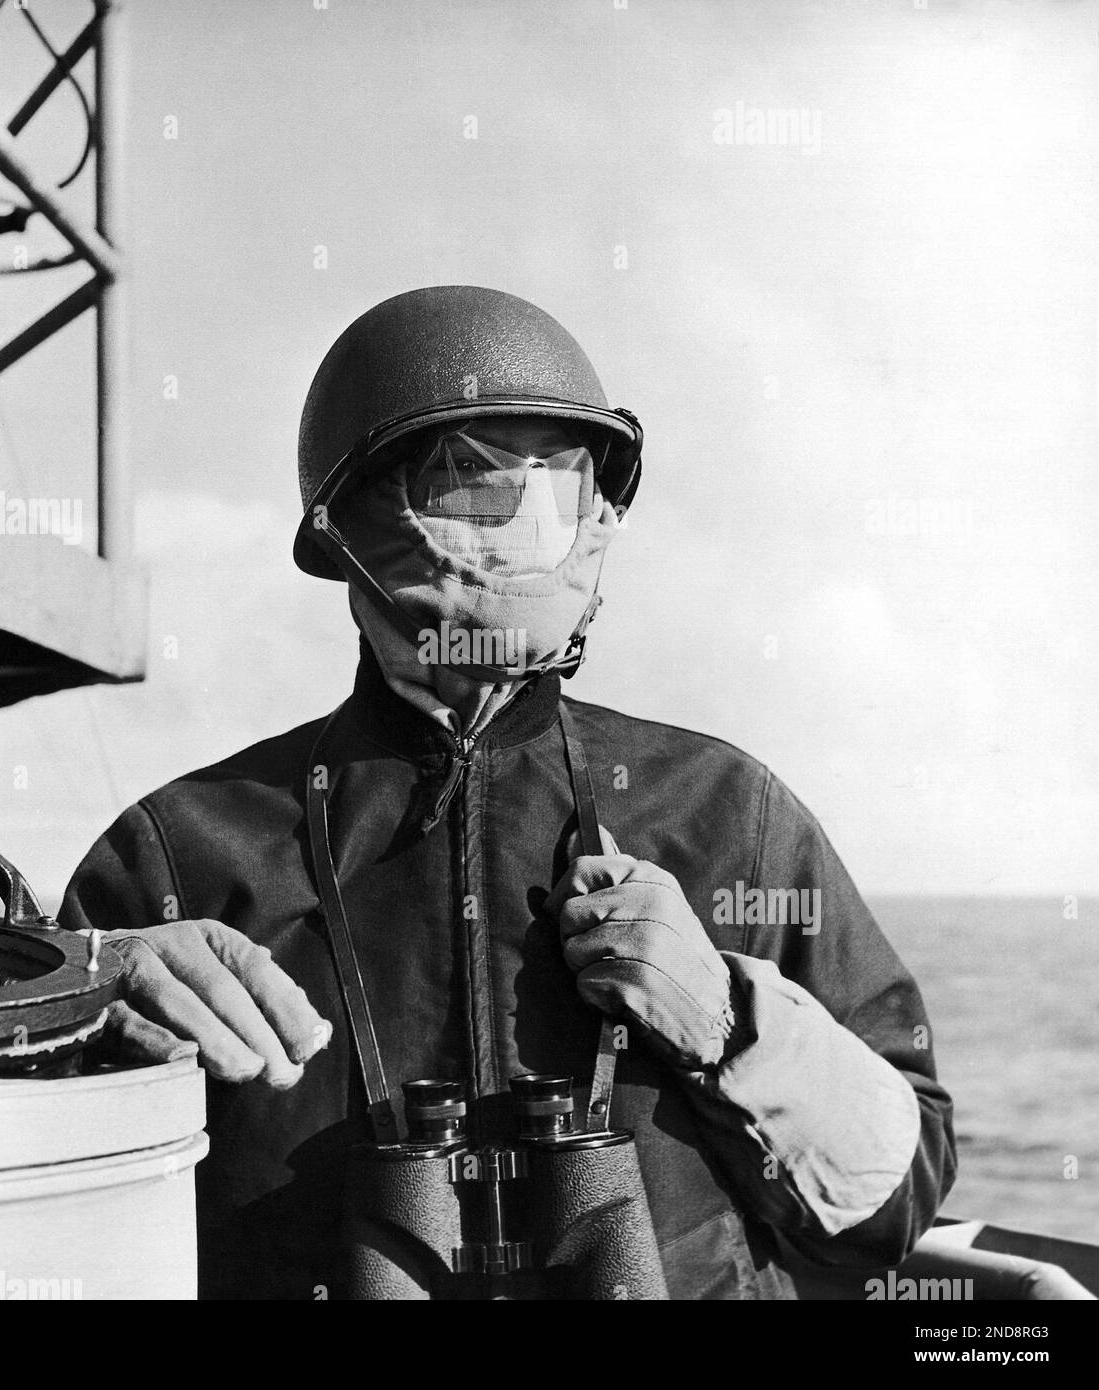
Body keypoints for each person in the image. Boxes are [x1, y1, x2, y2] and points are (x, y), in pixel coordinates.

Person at [59, 285, 956, 1300]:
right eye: (478, 485)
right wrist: (85, 994)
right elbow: (27, 1234)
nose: (532, 526)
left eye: (564, 488)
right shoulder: (176, 856)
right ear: (349, 519)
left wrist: (729, 1024)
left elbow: (893, 1211)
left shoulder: (727, 814)